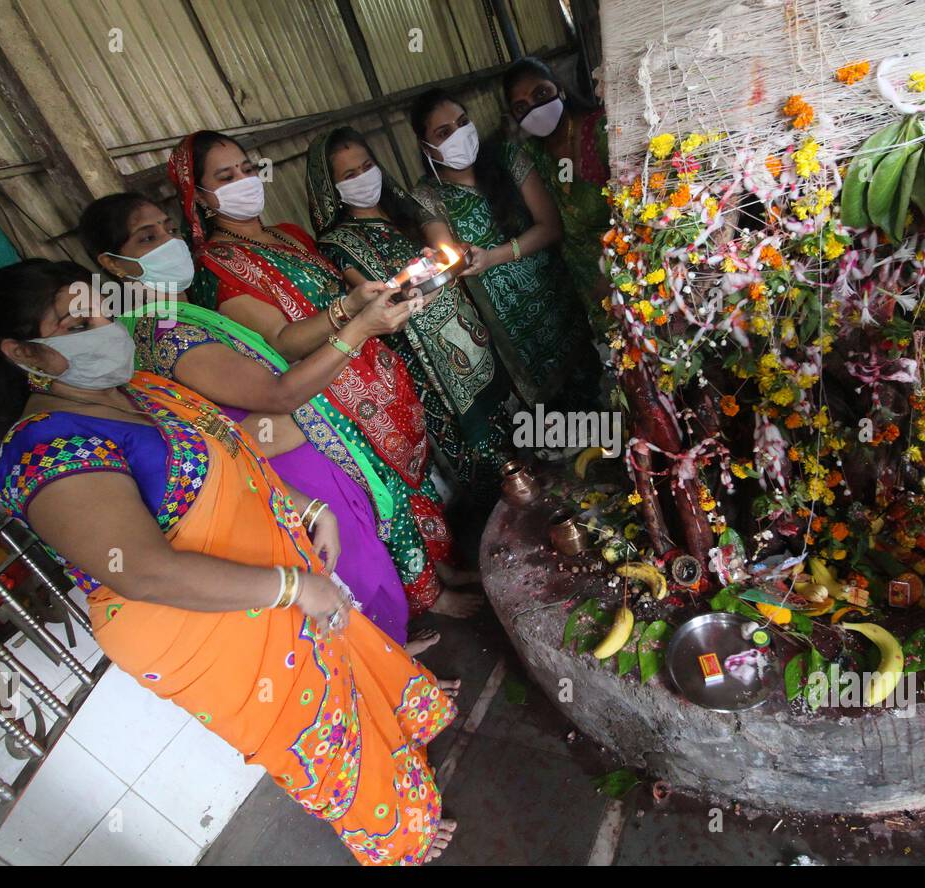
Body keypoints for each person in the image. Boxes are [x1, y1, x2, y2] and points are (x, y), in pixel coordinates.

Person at [0, 259, 457, 864]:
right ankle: (393, 831)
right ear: (24, 354)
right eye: (77, 325)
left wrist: (307, 509)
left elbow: (236, 457)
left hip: (276, 581)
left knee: (349, 678)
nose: (104, 327)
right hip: (205, 626)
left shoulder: (143, 391)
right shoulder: (45, 446)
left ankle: (401, 766)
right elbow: (144, 570)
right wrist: (293, 587)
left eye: (103, 309)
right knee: (315, 734)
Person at [77, 191, 438, 653]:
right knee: (353, 575)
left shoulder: (181, 316)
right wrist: (361, 327)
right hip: (293, 472)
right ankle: (393, 680)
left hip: (302, 459)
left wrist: (351, 311)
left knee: (359, 566)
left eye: (169, 228)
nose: (170, 242)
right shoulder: (163, 332)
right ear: (115, 264)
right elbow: (278, 393)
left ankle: (396, 662)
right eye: (148, 238)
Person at [167, 131, 482, 619]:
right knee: (385, 497)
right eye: (225, 177)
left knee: (414, 481)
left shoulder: (289, 234)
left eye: (248, 169)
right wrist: (348, 313)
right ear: (201, 197)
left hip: (374, 371)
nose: (244, 181)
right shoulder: (216, 264)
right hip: (329, 393)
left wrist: (378, 299)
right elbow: (282, 339)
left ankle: (443, 567)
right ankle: (429, 597)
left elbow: (341, 298)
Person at [305, 127, 515, 507]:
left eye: (367, 166)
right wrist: (422, 278)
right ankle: (501, 517)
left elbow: (439, 240)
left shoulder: (401, 208)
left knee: (506, 423)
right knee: (478, 455)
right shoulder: (338, 243)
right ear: (331, 188)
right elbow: (380, 301)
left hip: (465, 335)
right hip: (425, 364)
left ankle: (531, 481)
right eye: (349, 175)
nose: (363, 177)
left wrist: (451, 253)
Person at [409, 88, 601, 412]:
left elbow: (551, 226)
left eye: (462, 122)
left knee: (590, 382)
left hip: (553, 297)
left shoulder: (508, 158)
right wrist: (457, 255)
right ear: (426, 147)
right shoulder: (428, 196)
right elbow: (445, 247)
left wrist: (494, 256)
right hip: (507, 326)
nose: (458, 135)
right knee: (552, 413)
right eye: (444, 133)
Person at [503, 57, 612, 314]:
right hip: (588, 293)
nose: (534, 108)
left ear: (559, 88)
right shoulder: (532, 156)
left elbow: (638, 207)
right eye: (521, 107)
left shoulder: (600, 132)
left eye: (541, 93)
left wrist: (613, 272)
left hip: (629, 276)